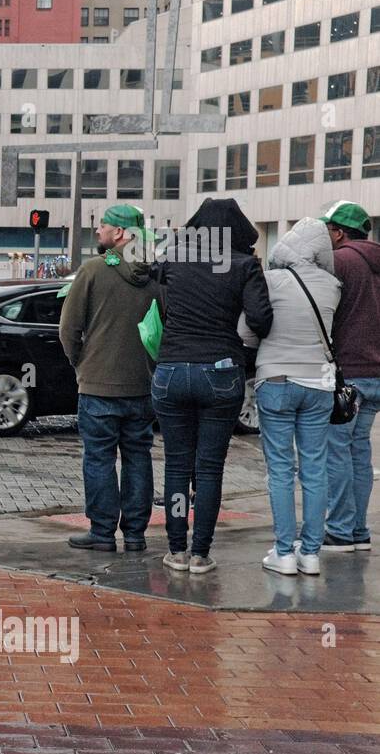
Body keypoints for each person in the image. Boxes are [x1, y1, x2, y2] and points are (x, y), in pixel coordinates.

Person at [152, 198, 272, 574]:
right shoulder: (245, 265)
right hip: (220, 372)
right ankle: (201, 552)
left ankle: (176, 550)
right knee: (208, 470)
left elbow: (159, 303)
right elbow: (261, 320)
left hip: (171, 369)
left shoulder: (172, 260)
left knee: (175, 466)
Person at [237, 218, 340, 575]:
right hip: (318, 385)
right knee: (315, 468)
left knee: (280, 470)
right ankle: (310, 553)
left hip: (276, 381)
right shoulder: (332, 286)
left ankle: (283, 552)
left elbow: (246, 332)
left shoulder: (271, 280)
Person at [59, 205, 162, 553]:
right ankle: (135, 534)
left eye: (103, 226)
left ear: (119, 233)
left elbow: (68, 329)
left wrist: (80, 362)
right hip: (141, 385)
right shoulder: (156, 277)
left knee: (99, 457)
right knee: (138, 457)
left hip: (98, 385)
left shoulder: (92, 271)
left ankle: (102, 533)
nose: (98, 231)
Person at [322, 201, 380, 552]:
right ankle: (358, 530)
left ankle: (341, 531)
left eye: (327, 230)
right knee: (361, 451)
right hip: (375, 372)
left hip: (349, 374)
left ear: (339, 232)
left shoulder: (341, 261)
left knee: (338, 452)